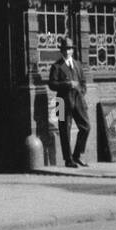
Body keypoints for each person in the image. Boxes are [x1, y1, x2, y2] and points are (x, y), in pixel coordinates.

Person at [48, 38, 91, 168]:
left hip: (78, 100)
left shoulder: (77, 65)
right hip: (61, 101)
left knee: (86, 127)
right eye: (65, 49)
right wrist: (67, 84)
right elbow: (52, 84)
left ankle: (77, 155)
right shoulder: (56, 66)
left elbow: (83, 82)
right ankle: (68, 160)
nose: (68, 51)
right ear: (62, 51)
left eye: (70, 49)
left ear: (73, 50)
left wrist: (81, 92)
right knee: (64, 131)